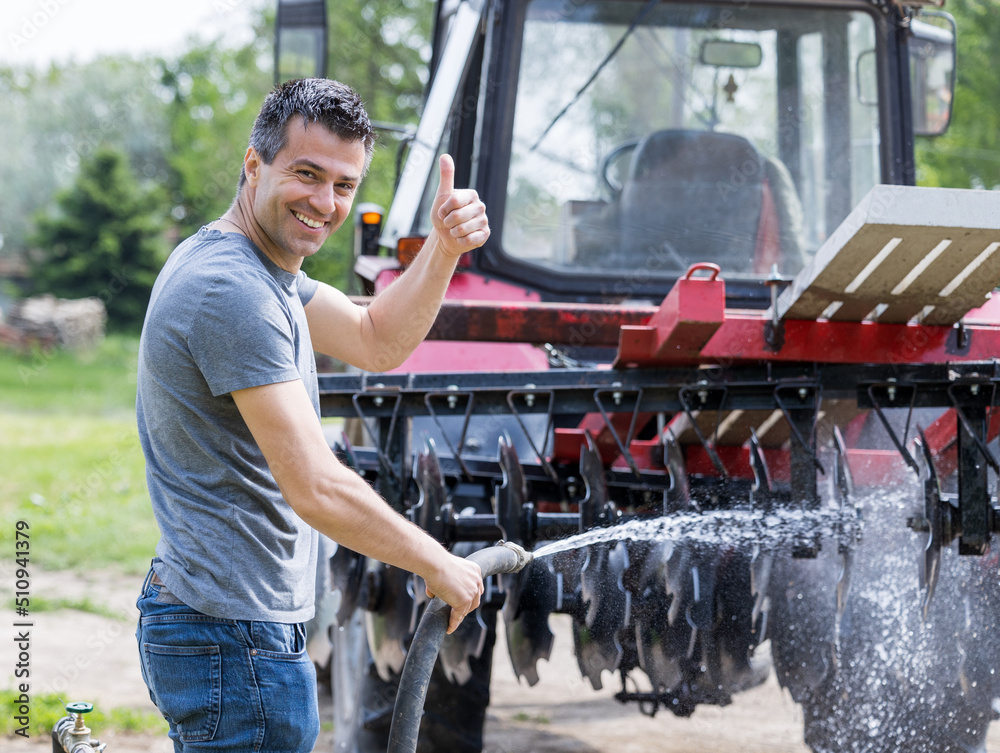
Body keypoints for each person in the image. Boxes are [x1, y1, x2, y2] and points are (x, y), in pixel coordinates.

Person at [134, 77, 490, 753]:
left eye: (344, 185)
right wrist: (433, 558)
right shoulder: (230, 290)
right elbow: (316, 485)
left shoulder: (267, 271)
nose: (325, 203)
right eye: (306, 173)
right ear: (253, 165)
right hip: (231, 634)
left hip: (229, 622)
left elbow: (374, 338)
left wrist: (442, 249)